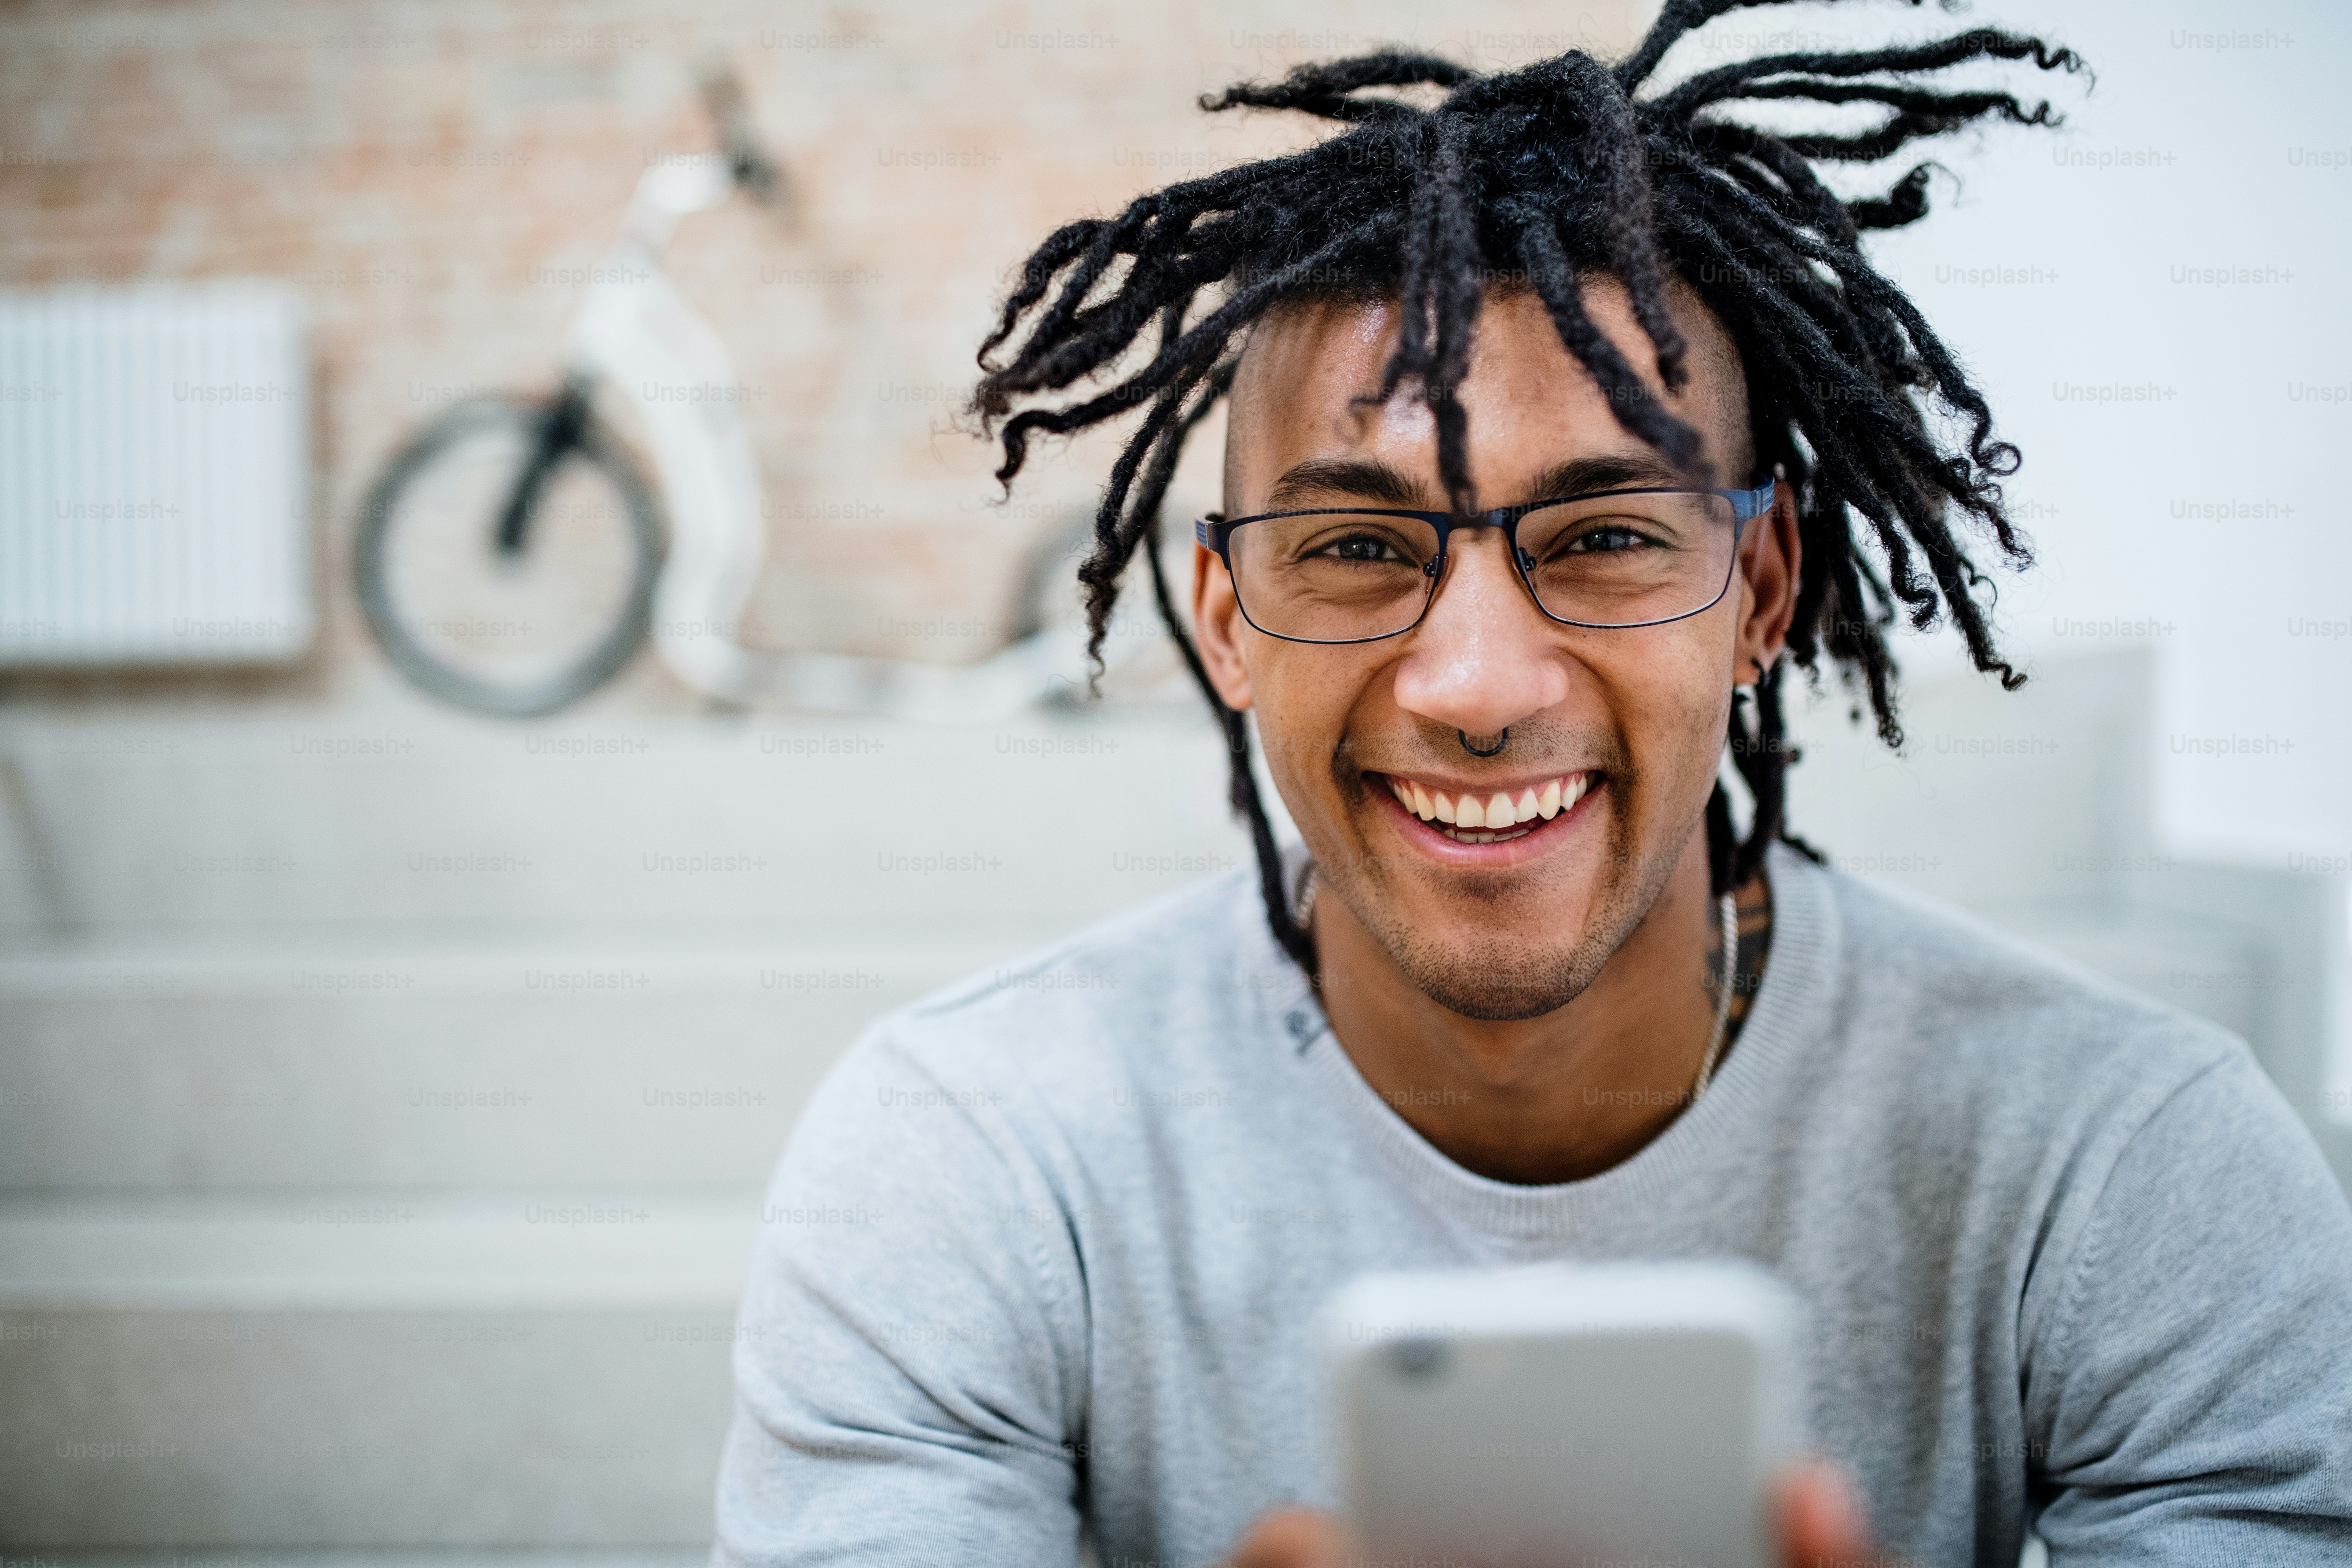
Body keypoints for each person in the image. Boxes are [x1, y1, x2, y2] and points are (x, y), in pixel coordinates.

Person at [714, 4, 2352, 1563]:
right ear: (1222, 623)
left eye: (1608, 537)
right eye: (1355, 548)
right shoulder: (969, 1156)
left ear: (1760, 592)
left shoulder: (2130, 1166)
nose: (1479, 687)